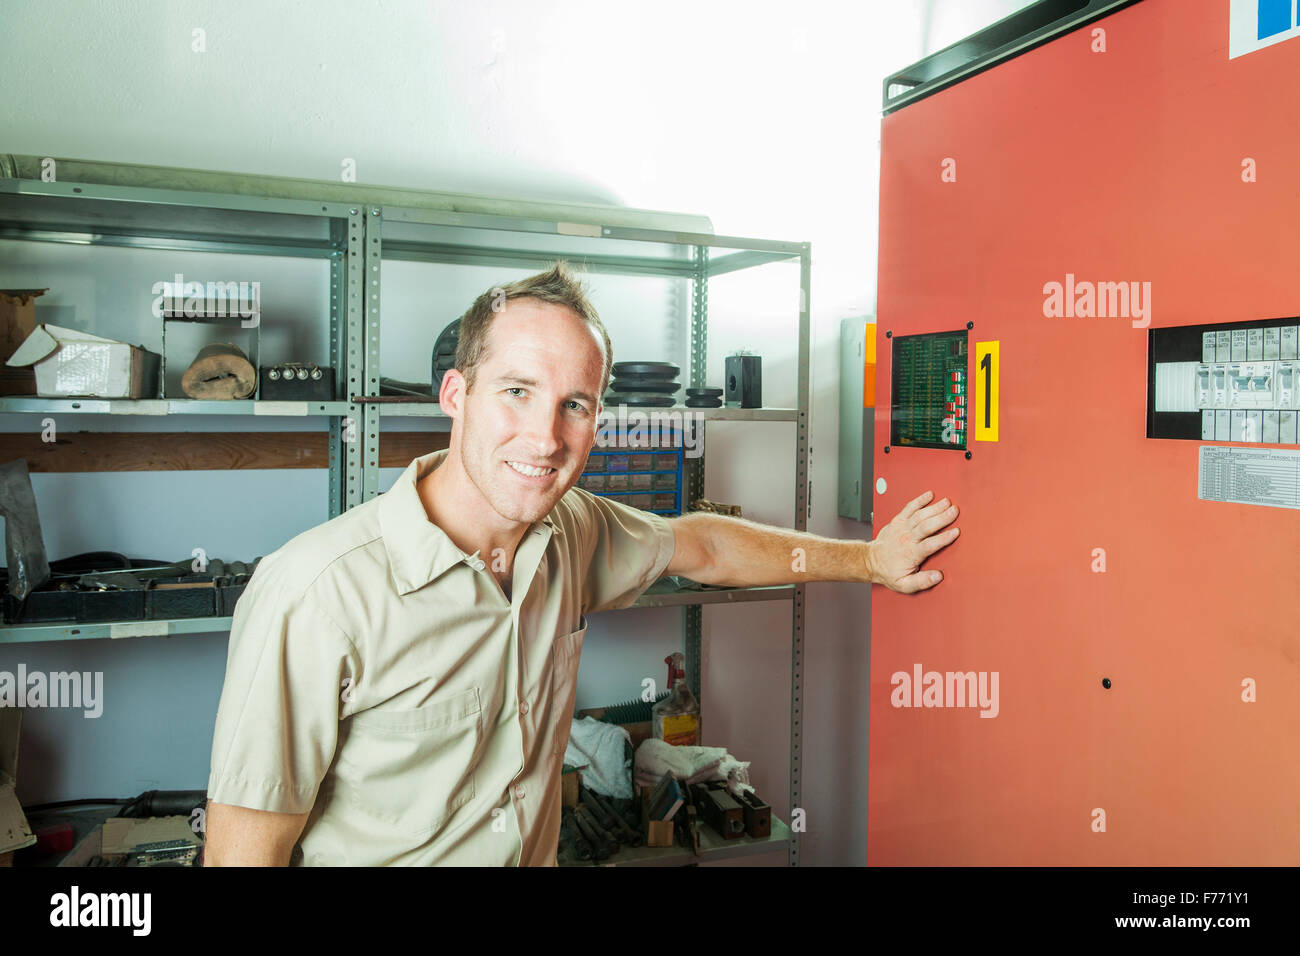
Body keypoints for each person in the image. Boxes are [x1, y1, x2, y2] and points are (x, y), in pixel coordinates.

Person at [203, 262, 959, 865]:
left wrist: (868, 559)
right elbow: (246, 854)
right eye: (517, 392)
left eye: (576, 405)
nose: (545, 438)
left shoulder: (570, 532)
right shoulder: (313, 595)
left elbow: (704, 543)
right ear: (455, 394)